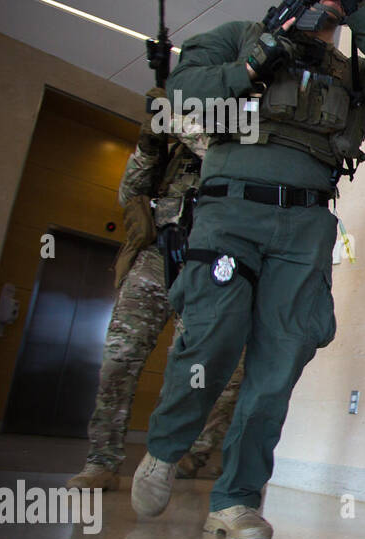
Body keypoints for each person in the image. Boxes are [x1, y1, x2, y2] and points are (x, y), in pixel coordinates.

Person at [130, 0, 365, 539]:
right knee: (211, 339)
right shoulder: (238, 36)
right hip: (230, 214)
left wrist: (361, 10)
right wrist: (253, 64)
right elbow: (179, 96)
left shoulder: (351, 69)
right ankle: (163, 447)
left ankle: (235, 500)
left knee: (277, 365)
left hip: (307, 225)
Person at [67, 115, 245, 491]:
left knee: (196, 371)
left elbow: (225, 162)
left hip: (212, 264)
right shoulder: (177, 148)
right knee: (119, 357)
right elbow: (128, 193)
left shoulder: (244, 138)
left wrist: (181, 121)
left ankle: (181, 456)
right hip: (157, 254)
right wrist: (149, 145)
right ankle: (102, 462)